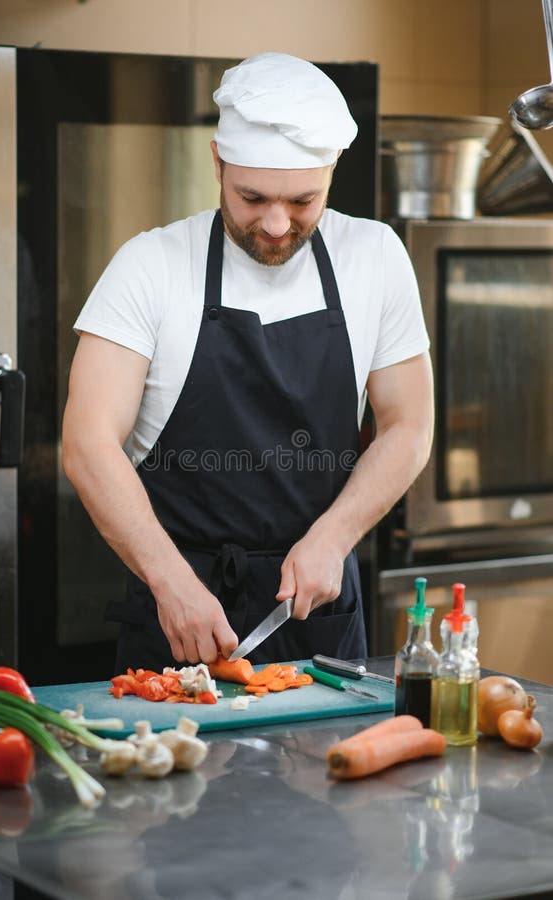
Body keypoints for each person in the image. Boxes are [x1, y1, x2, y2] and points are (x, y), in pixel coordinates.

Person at [62, 51, 434, 673]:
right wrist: (168, 581)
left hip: (317, 607)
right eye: (252, 196)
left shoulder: (375, 257)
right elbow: (88, 443)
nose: (275, 223)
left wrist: (335, 537)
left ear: (333, 168)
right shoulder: (150, 265)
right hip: (180, 611)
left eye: (302, 200)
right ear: (217, 162)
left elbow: (409, 426)